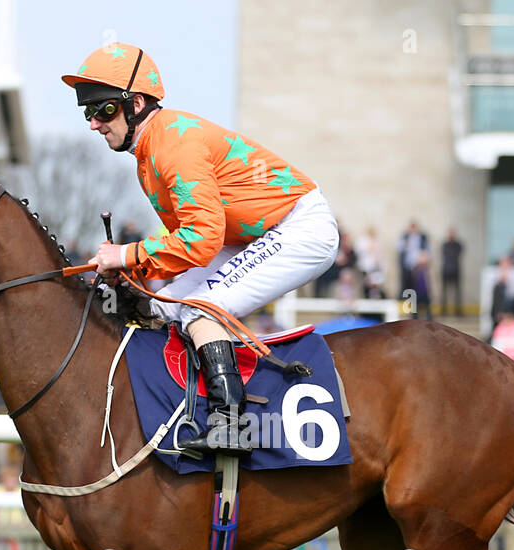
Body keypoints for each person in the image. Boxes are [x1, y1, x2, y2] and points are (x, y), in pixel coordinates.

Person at [63, 43, 338, 457]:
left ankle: (230, 424)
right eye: (88, 113)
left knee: (199, 307)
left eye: (103, 110)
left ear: (136, 103)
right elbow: (187, 245)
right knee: (162, 305)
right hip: (251, 235)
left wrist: (126, 255)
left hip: (297, 226)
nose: (94, 124)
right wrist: (134, 275)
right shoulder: (149, 150)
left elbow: (202, 238)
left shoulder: (171, 142)